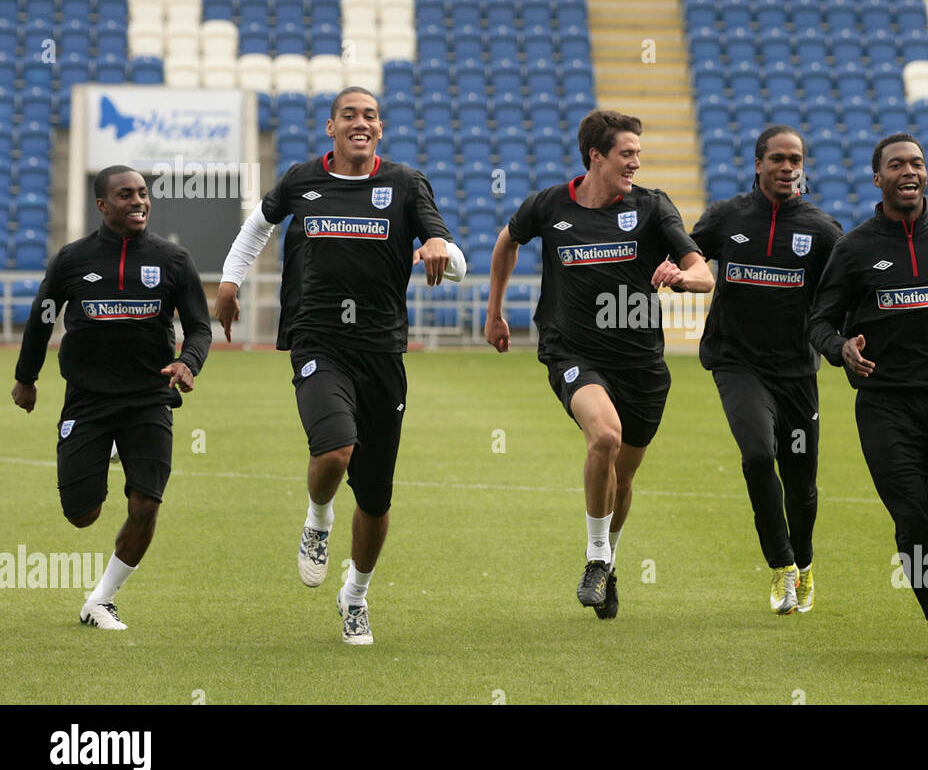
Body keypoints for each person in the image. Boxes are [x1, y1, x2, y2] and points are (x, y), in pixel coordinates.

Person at [215, 86, 464, 644]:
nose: (360, 122)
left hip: (381, 352)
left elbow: (451, 254)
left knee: (375, 500)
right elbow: (258, 225)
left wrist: (439, 251)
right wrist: (231, 281)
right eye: (349, 115)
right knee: (333, 449)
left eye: (370, 116)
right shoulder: (302, 180)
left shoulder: (404, 184)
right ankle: (318, 521)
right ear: (331, 127)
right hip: (317, 341)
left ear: (380, 129)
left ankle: (355, 597)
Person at [485, 109, 713, 619]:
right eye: (626, 154)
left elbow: (705, 275)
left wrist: (680, 277)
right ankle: (594, 559)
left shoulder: (653, 208)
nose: (636, 162)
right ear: (596, 156)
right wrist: (495, 312)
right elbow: (508, 241)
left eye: (638, 154)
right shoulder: (547, 206)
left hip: (641, 363)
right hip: (572, 352)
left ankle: (608, 562)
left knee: (623, 478)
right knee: (604, 437)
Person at [807, 133, 928, 662]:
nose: (909, 171)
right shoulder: (855, 248)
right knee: (912, 519)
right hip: (884, 405)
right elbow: (819, 321)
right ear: (879, 178)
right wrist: (840, 347)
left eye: (916, 162)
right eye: (897, 165)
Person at [12, 166, 212, 630]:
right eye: (126, 195)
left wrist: (189, 362)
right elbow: (43, 319)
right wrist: (26, 378)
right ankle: (110, 449)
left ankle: (100, 600)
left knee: (146, 505)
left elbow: (199, 326)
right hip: (88, 399)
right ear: (102, 206)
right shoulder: (71, 260)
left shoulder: (173, 259)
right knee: (82, 514)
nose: (138, 201)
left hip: (149, 398)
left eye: (143, 193)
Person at [690, 125, 843, 614]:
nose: (787, 167)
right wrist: (676, 274)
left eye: (795, 159)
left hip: (797, 370)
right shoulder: (725, 217)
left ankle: (805, 560)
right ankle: (782, 568)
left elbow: (842, 296)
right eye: (777, 158)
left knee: (802, 483)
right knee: (758, 453)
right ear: (758, 164)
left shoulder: (822, 230)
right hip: (737, 363)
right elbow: (689, 256)